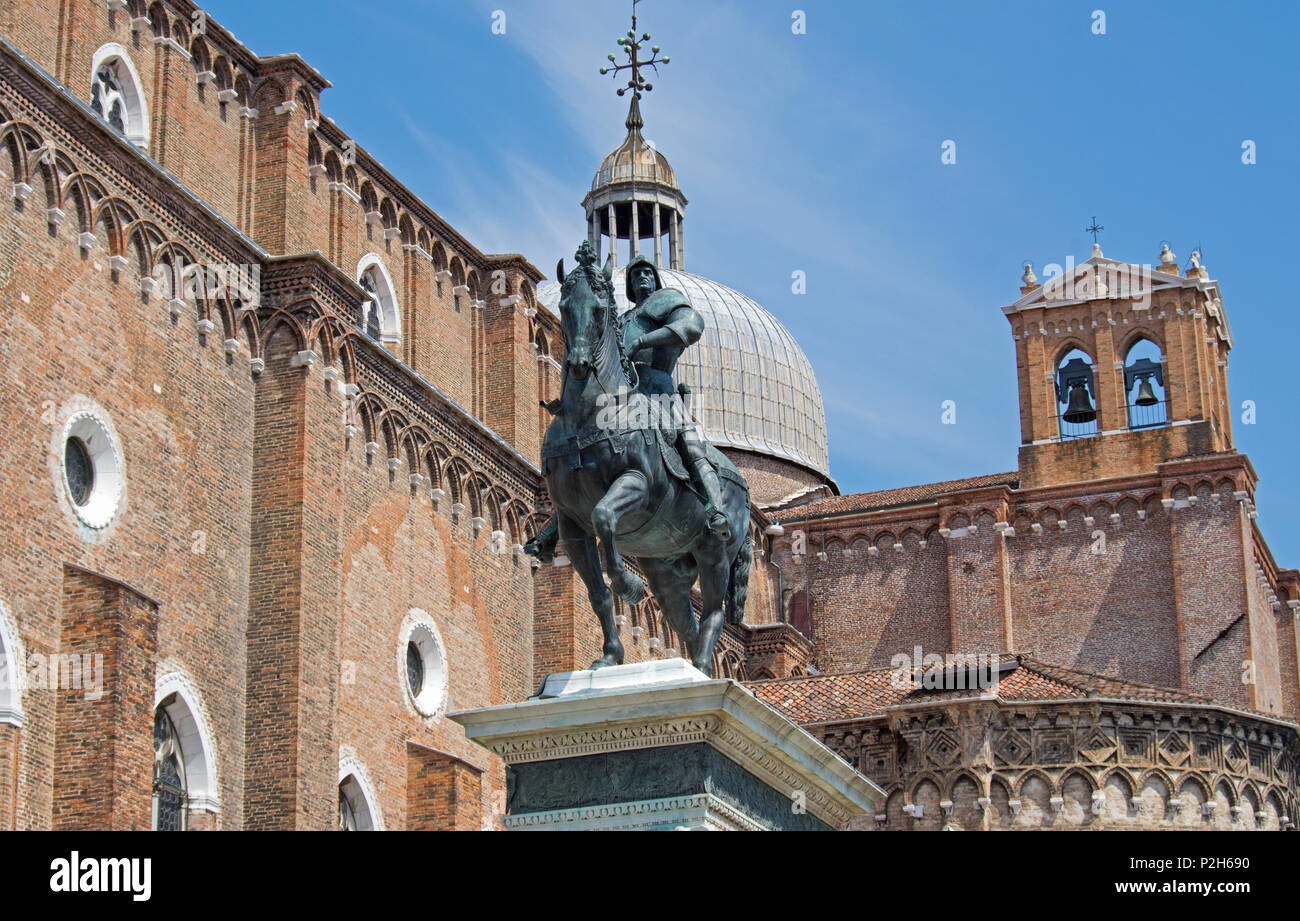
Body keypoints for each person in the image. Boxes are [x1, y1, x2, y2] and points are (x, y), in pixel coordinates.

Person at [526, 254, 731, 562]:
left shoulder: (668, 301)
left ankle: (715, 509)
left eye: (646, 272)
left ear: (655, 278)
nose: (641, 278)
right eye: (635, 276)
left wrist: (643, 342)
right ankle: (555, 526)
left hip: (658, 393)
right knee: (588, 454)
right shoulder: (621, 320)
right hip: (623, 396)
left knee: (689, 443)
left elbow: (692, 326)